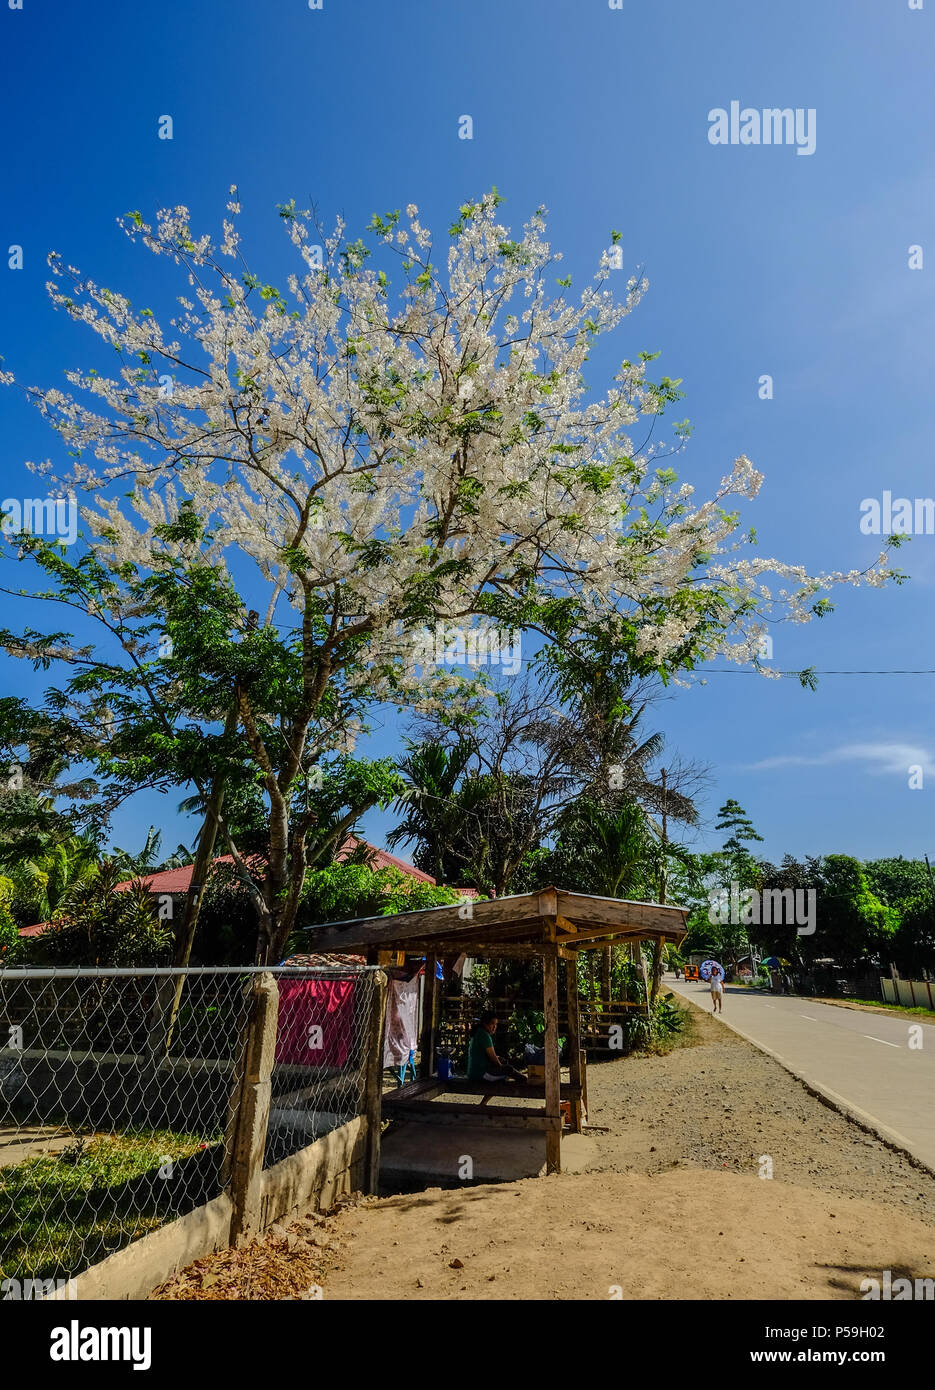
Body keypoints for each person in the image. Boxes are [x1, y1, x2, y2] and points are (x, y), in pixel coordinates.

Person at [466, 1011, 526, 1082]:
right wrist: (502, 1068)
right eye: (492, 1023)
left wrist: (500, 1060)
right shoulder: (484, 1035)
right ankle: (525, 1079)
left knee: (502, 1060)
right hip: (481, 1074)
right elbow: (494, 1059)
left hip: (473, 1073)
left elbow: (488, 1057)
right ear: (485, 1023)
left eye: (496, 1024)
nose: (494, 1027)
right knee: (509, 1069)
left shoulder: (478, 1032)